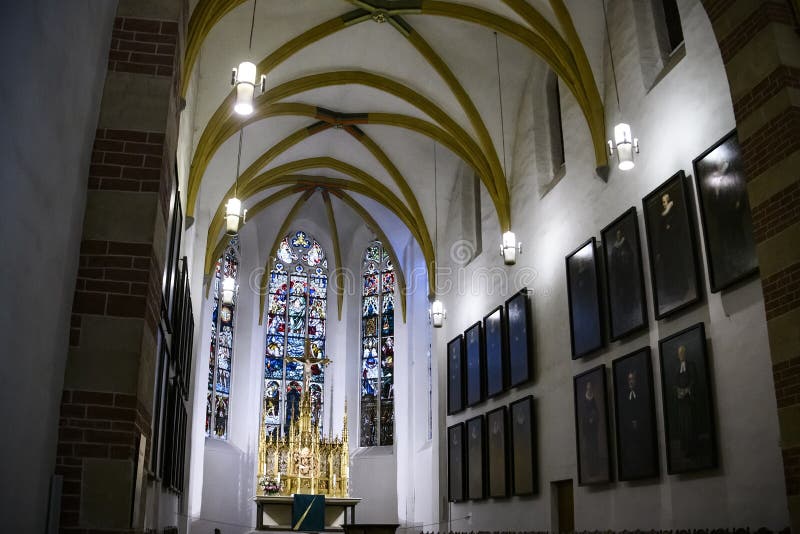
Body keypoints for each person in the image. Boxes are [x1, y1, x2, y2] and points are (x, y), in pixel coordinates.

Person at [621, 370, 652, 477]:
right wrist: (630, 423)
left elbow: (644, 410)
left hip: (640, 427)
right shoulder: (624, 396)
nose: (631, 381)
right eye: (629, 379)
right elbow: (623, 413)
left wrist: (638, 421)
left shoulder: (641, 394)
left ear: (636, 380)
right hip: (628, 428)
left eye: (632, 379)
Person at [674, 344, 697, 459]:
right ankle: (684, 446)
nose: (681, 355)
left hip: (688, 399)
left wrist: (687, 390)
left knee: (689, 424)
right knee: (682, 424)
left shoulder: (691, 365)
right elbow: (675, 383)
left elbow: (693, 380)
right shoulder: (676, 367)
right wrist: (679, 391)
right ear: (678, 355)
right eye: (679, 353)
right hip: (680, 400)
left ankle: (691, 448)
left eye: (682, 353)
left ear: (685, 354)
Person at [580, 380, 601, 477]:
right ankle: (591, 471)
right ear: (586, 388)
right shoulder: (584, 400)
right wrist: (588, 419)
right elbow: (583, 415)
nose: (589, 389)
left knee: (595, 449)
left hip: (593, 429)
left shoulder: (593, 399)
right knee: (589, 450)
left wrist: (594, 418)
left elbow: (597, 413)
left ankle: (596, 470)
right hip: (587, 430)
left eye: (590, 388)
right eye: (587, 388)